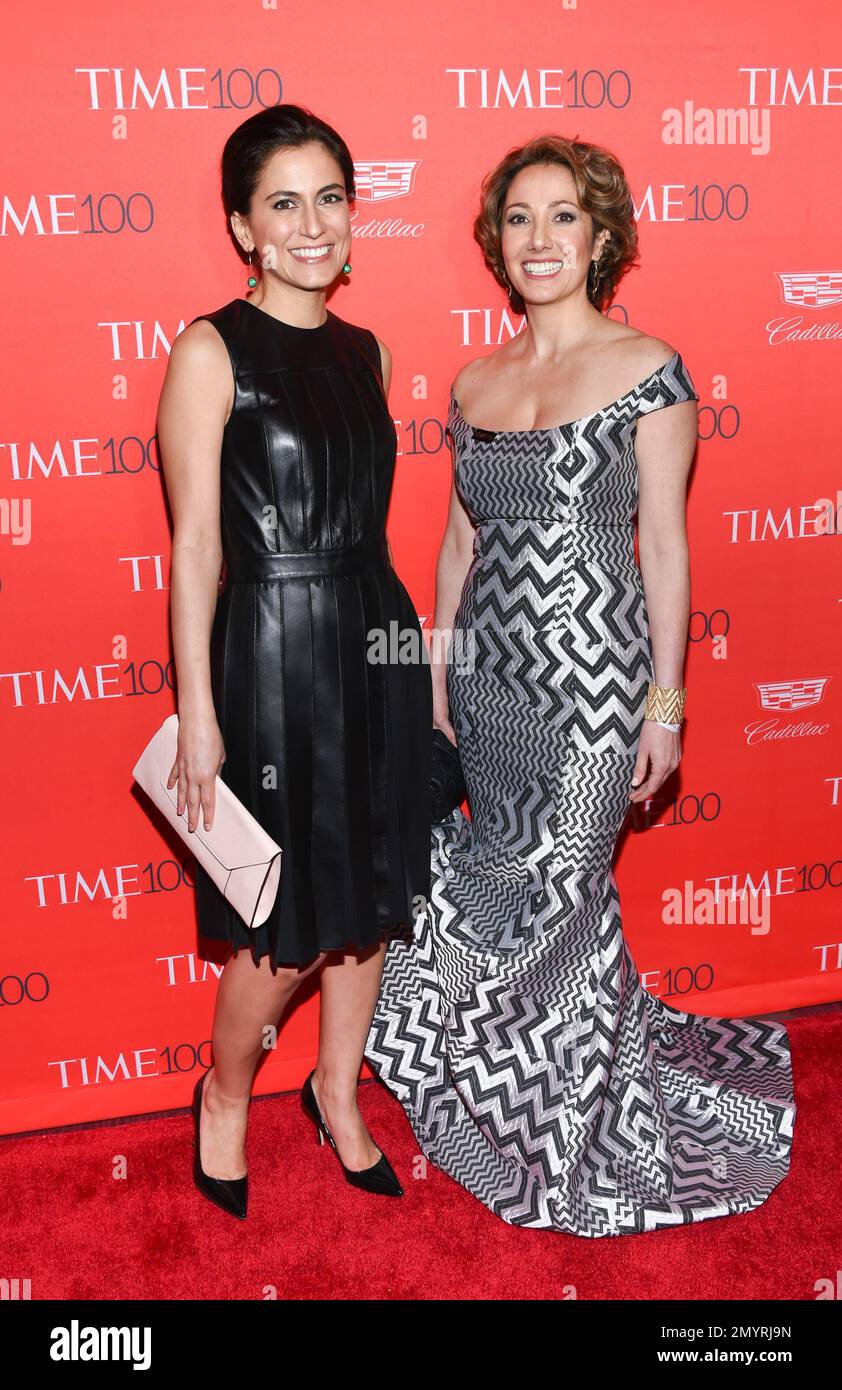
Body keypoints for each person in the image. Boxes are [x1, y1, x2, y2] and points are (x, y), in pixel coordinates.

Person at [364, 135, 796, 1236]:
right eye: (518, 219)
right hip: (492, 685)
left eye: (562, 217)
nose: (539, 239)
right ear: (494, 243)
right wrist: (436, 677)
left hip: (594, 683)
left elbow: (662, 546)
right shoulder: (474, 380)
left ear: (602, 237)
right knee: (500, 882)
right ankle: (507, 1090)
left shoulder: (649, 368)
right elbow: (458, 544)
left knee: (564, 893)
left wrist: (665, 703)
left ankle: (575, 1135)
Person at [156, 104, 432, 1219]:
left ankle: (335, 1085)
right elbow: (192, 546)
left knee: (367, 893)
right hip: (268, 650)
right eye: (283, 202)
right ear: (243, 227)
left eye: (330, 196)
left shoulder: (368, 349)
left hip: (374, 634)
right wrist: (201, 714)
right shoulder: (209, 348)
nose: (311, 222)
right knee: (280, 924)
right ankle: (224, 1094)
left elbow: (369, 520)